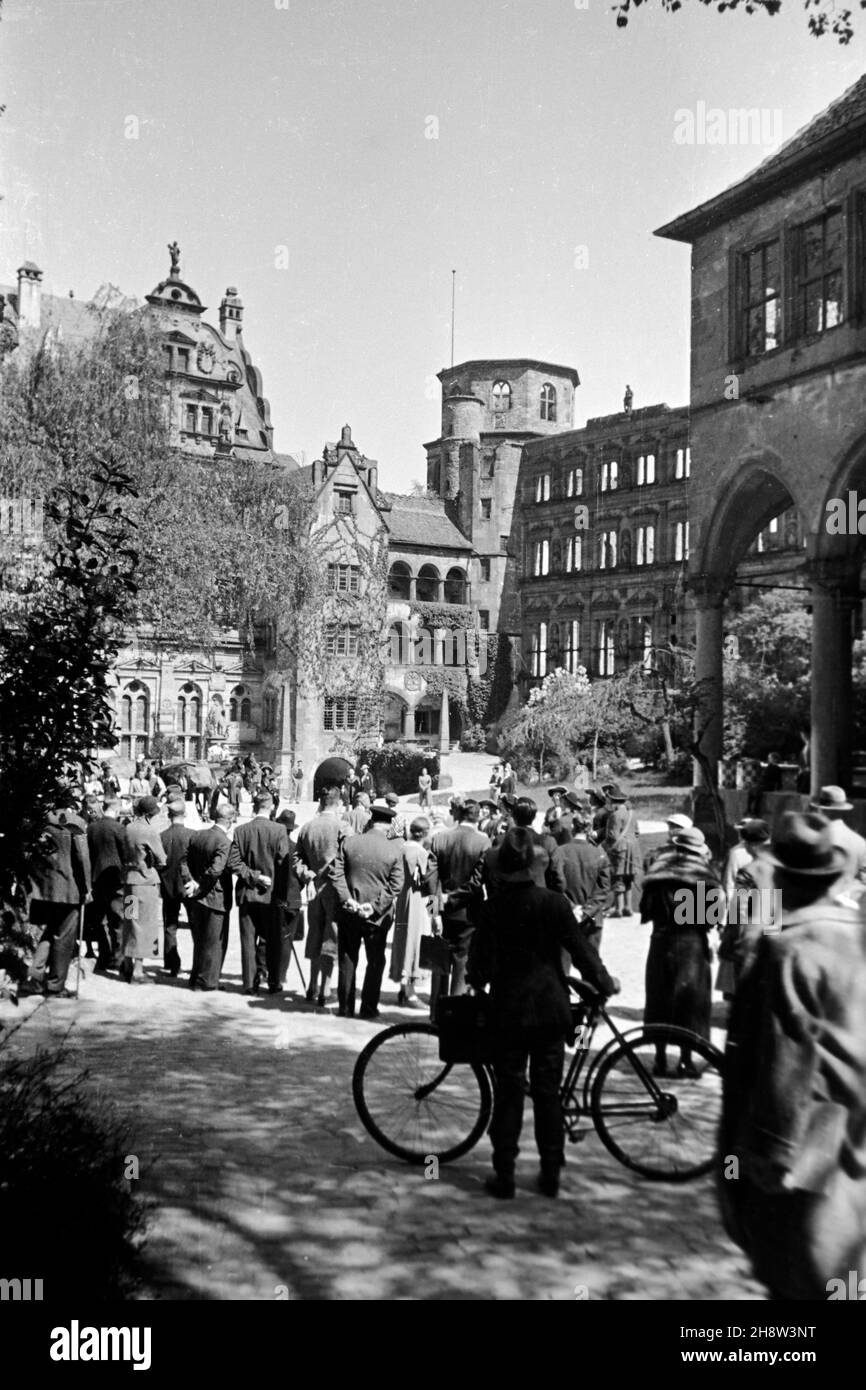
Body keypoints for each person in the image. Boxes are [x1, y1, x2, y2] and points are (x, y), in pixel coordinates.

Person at [720, 811, 866, 1301]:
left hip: (811, 1145)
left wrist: (768, 1159)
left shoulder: (789, 948)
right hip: (856, 1136)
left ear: (781, 877)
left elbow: (786, 1060)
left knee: (801, 1275)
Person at [467, 827, 620, 1199]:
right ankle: (550, 1172)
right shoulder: (555, 903)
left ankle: (505, 1175)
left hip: (509, 1012)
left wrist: (480, 980)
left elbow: (478, 969)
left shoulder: (493, 908)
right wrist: (603, 983)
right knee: (549, 1093)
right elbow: (581, 951)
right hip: (552, 1009)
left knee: (510, 1092)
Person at [640, 825, 720, 1076]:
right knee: (690, 1002)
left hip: (661, 942)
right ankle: (685, 1060)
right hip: (691, 945)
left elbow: (646, 909)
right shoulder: (704, 875)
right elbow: (711, 918)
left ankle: (660, 1059)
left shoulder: (658, 872)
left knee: (659, 1000)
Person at [331, 801, 404, 1019]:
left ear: (371, 821)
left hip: (349, 913)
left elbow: (336, 874)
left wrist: (348, 900)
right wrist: (373, 907)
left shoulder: (350, 842)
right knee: (375, 961)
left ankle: (345, 1007)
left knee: (347, 958)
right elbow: (396, 885)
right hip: (377, 917)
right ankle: (369, 1007)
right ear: (389, 826)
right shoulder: (394, 849)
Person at [424, 800, 490, 1014]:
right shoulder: (483, 842)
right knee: (462, 963)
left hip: (441, 913)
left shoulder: (440, 838)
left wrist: (435, 909)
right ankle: (454, 1014)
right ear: (478, 817)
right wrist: (450, 898)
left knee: (439, 964)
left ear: (458, 815)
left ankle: (435, 1012)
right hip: (468, 913)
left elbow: (430, 879)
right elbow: (476, 883)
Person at [228, 791, 291, 995]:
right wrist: (281, 895)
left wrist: (253, 876)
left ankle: (249, 983)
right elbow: (283, 864)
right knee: (272, 939)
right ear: (272, 807)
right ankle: (273, 982)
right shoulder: (279, 830)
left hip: (247, 893)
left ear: (255, 806)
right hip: (271, 896)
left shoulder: (241, 830)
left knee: (248, 940)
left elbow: (234, 863)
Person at [27, 804, 92, 998]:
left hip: (45, 888)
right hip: (68, 888)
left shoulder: (40, 821)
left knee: (50, 932)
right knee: (64, 938)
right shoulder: (75, 823)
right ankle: (55, 985)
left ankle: (35, 976)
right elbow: (82, 858)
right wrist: (87, 888)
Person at [296, 787, 346, 1007]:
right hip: (334, 889)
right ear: (338, 803)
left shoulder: (307, 827)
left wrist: (308, 875)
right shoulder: (342, 827)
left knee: (314, 935)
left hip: (314, 889)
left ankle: (311, 985)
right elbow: (346, 859)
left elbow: (297, 859)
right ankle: (325, 989)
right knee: (331, 937)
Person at [548, 809, 613, 953]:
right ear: (590, 829)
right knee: (592, 968)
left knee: (563, 967)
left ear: (572, 827)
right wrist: (586, 911)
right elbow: (604, 889)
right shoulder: (600, 854)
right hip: (593, 918)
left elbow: (554, 883)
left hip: (564, 917)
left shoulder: (560, 851)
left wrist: (572, 908)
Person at [186, 806, 234, 991]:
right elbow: (216, 870)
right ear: (229, 821)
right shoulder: (225, 842)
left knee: (200, 940)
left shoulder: (198, 835)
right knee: (215, 941)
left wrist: (191, 881)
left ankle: (196, 977)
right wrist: (201, 883)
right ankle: (207, 981)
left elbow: (185, 861)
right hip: (216, 896)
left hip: (197, 898)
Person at [120, 796, 167, 984]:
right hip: (145, 883)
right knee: (145, 925)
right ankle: (138, 971)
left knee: (130, 921)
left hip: (129, 881)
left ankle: (127, 962)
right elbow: (162, 859)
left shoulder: (127, 828)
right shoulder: (149, 831)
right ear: (150, 813)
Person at [389, 817, 432, 1008]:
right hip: (417, 901)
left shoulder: (402, 848)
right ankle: (410, 992)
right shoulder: (421, 853)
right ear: (424, 833)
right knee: (415, 941)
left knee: (403, 940)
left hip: (402, 900)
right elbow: (425, 882)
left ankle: (404, 987)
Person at [86, 798, 127, 974]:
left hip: (97, 879)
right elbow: (126, 854)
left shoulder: (92, 828)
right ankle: (118, 958)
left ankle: (104, 956)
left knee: (100, 920)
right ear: (116, 810)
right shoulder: (119, 828)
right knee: (118, 920)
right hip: (117, 880)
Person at [808, 785, 866, 890]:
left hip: (818, 902)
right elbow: (863, 880)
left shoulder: (813, 839)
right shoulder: (860, 842)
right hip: (848, 902)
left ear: (821, 810)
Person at [159, 799, 193, 977]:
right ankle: (197, 965)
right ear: (185, 814)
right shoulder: (192, 835)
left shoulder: (161, 836)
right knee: (196, 926)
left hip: (168, 886)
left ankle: (172, 963)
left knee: (170, 926)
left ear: (168, 815)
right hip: (188, 886)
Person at [602, 784, 641, 917]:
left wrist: (605, 847)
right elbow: (637, 833)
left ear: (613, 801)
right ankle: (628, 908)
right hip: (633, 849)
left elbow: (612, 836)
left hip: (620, 849)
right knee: (629, 878)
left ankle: (618, 909)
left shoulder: (615, 815)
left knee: (618, 878)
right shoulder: (632, 814)